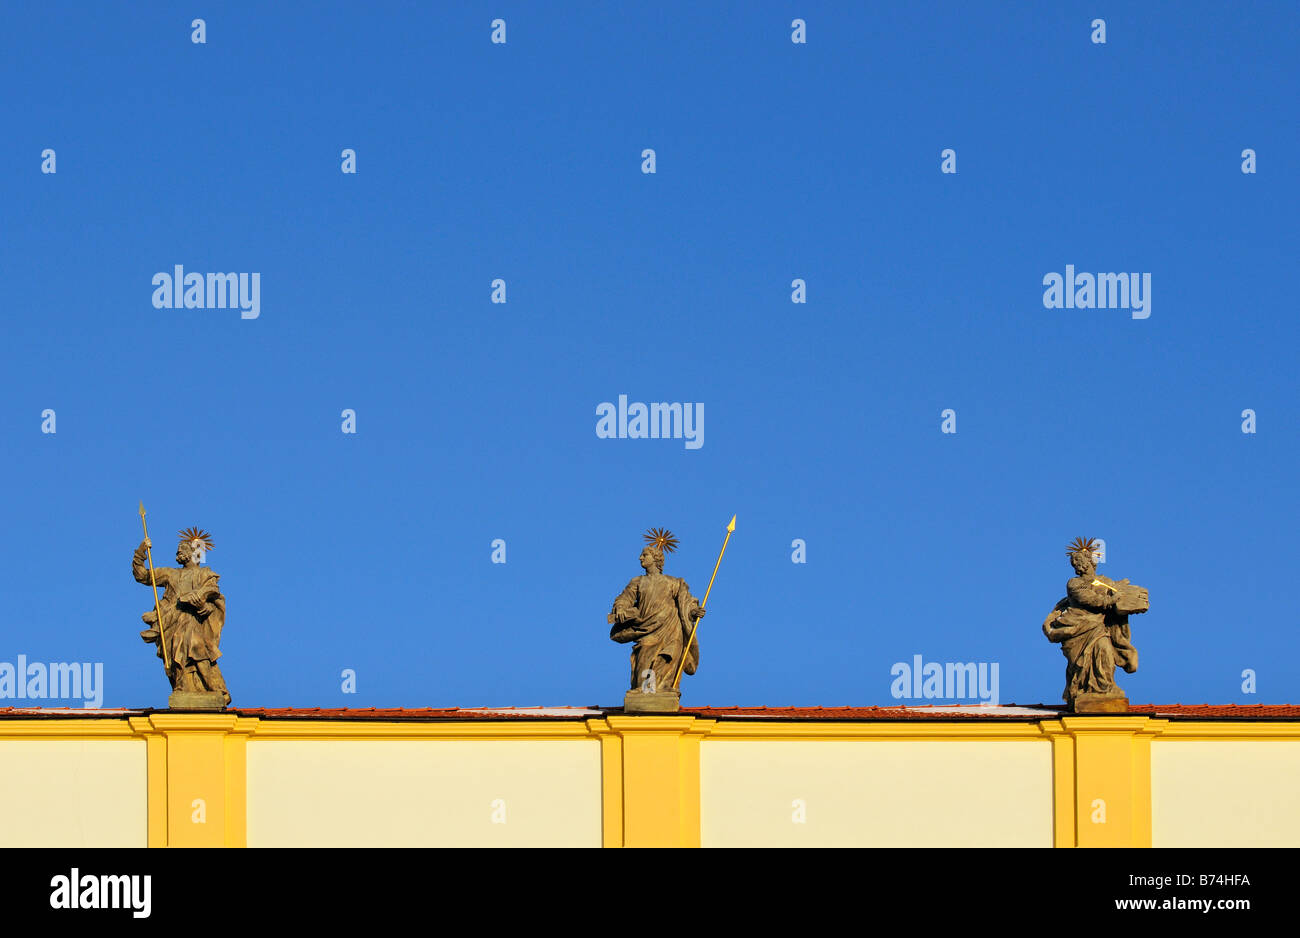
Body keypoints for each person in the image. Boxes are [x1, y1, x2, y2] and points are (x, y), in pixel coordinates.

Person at [133, 527, 230, 705]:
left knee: (194, 646)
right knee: (177, 649)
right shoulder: (170, 574)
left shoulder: (205, 574)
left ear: (195, 553)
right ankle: (182, 685)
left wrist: (203, 605)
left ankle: (216, 688)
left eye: (183, 548)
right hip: (171, 621)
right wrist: (141, 552)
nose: (179, 551)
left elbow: (214, 596)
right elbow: (143, 576)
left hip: (193, 622)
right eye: (179, 548)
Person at [608, 528, 704, 694]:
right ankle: (646, 691)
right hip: (646, 628)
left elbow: (686, 601)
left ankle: (663, 690)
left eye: (644, 555)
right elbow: (624, 598)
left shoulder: (673, 582)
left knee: (667, 658)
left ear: (656, 559)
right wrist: (621, 608)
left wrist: (693, 611)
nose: (640, 558)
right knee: (645, 654)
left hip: (670, 628)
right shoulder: (637, 582)